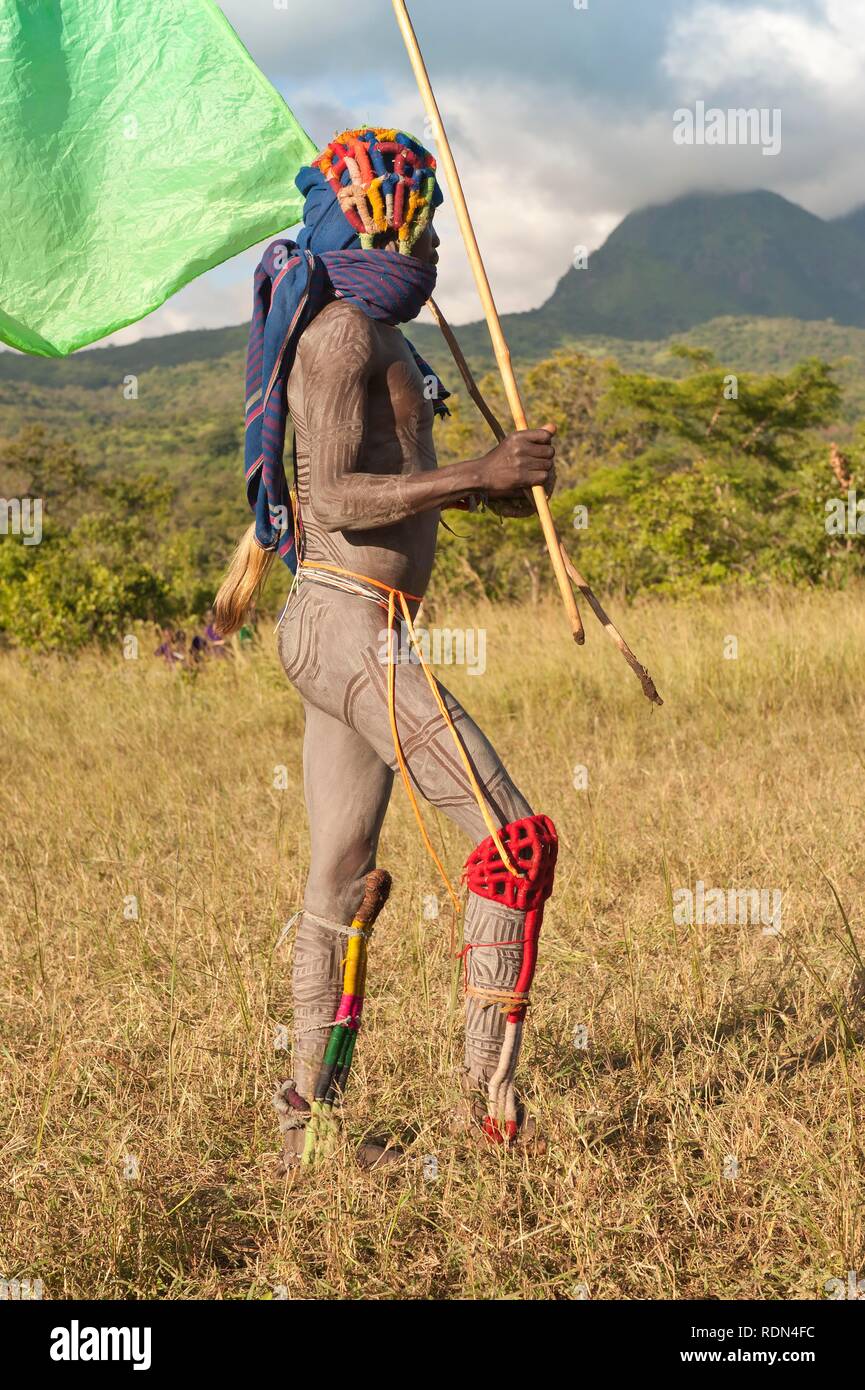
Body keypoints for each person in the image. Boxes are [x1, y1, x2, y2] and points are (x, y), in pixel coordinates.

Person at [215, 128, 559, 1169]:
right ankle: (493, 1113)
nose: (431, 243)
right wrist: (476, 476)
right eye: (409, 224)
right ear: (367, 226)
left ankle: (302, 1134)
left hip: (363, 625)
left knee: (339, 879)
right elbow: (328, 499)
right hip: (342, 624)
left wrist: (505, 486)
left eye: (431, 221)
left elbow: (402, 484)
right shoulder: (338, 339)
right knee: (511, 844)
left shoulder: (395, 339)